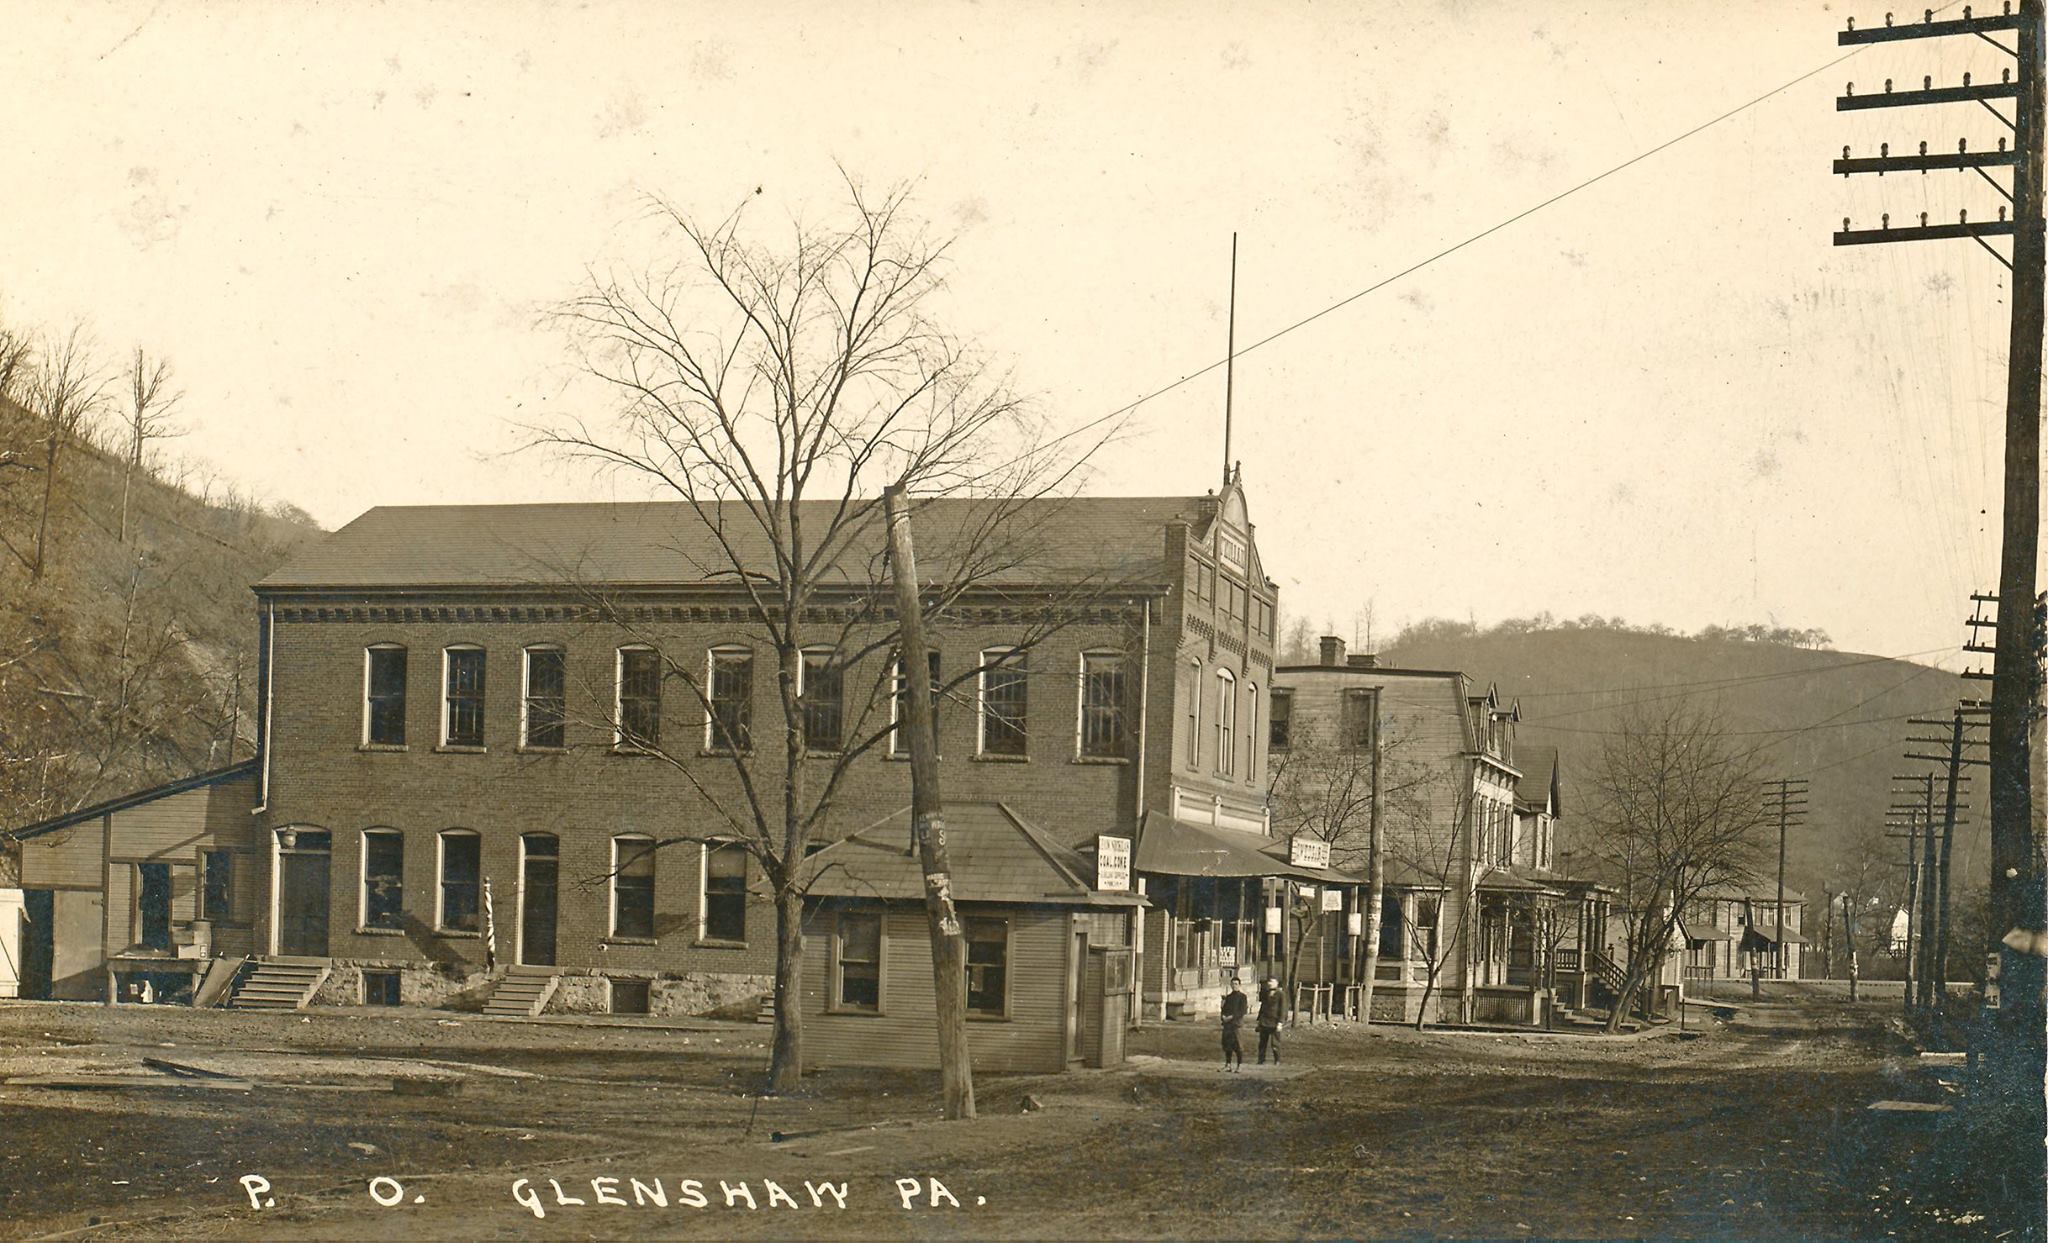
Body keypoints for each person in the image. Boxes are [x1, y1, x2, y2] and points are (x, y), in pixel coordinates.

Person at [1256, 976, 1285, 1065]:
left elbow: (1283, 1009)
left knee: (1275, 1043)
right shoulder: (1265, 993)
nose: (1270, 983)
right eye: (1269, 982)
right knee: (1262, 1043)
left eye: (1272, 981)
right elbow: (1263, 1007)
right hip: (1264, 1021)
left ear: (1276, 982)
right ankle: (1261, 1060)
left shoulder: (1281, 994)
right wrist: (1259, 1019)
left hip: (1275, 1021)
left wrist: (1280, 1022)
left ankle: (1277, 1060)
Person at [1220, 977, 1247, 1071]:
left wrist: (1232, 1017)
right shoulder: (1228, 997)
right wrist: (1223, 1016)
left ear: (1239, 985)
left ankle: (1240, 1065)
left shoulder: (1243, 997)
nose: (1234, 986)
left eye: (1236, 984)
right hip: (1227, 1025)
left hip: (1236, 1024)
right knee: (1227, 1045)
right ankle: (1228, 1065)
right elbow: (1224, 1009)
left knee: (1238, 1045)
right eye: (1233, 984)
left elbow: (1243, 1011)